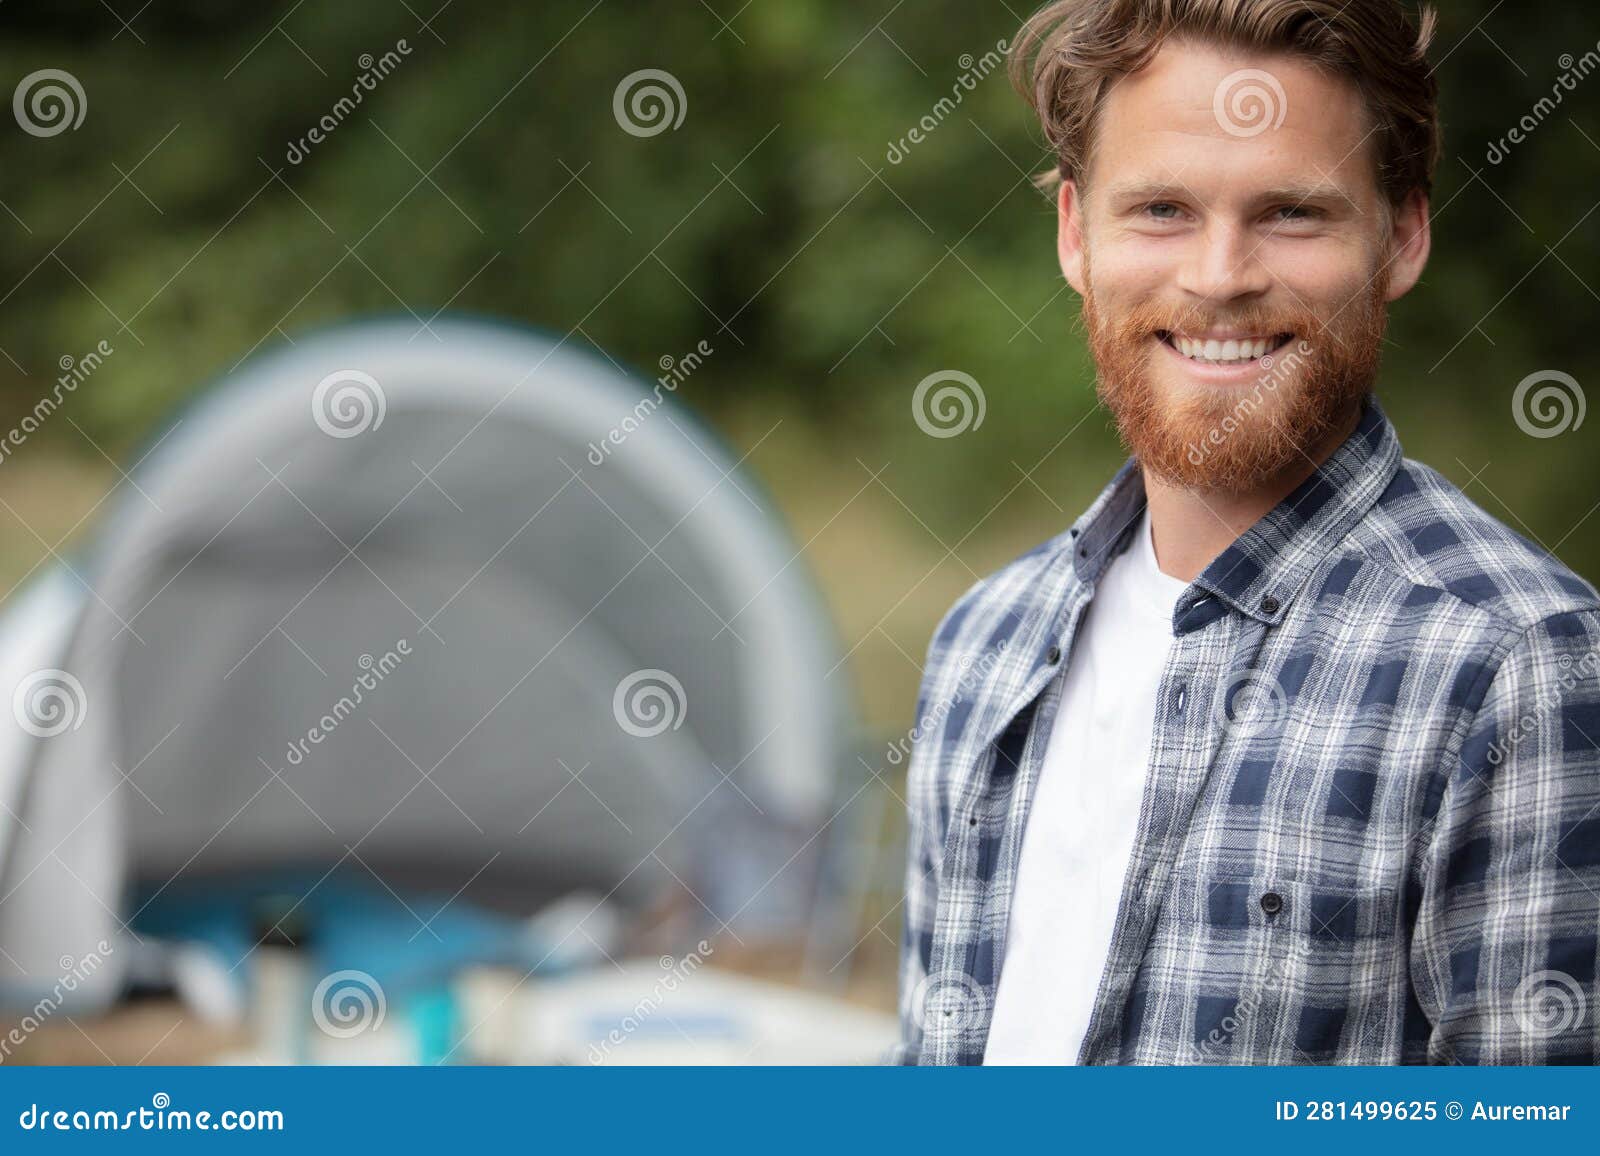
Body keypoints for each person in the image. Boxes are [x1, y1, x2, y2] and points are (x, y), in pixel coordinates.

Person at [896, 0, 1600, 1065]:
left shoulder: (1524, 666)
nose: (1220, 275)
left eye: (1291, 214)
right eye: (1162, 209)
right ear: (1076, 234)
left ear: (1402, 236)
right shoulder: (982, 644)